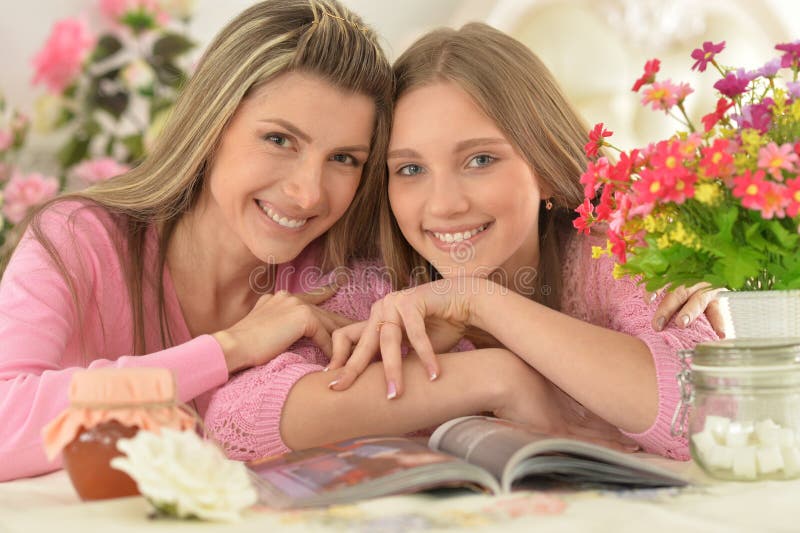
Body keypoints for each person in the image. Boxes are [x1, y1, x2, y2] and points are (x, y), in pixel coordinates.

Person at [0, 0, 396, 481]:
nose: (309, 193)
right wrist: (229, 348)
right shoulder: (76, 240)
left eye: (344, 159)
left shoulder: (338, 281)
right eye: (279, 140)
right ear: (212, 124)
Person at [325, 23, 719, 460]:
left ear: (545, 168)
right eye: (411, 169)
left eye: (480, 160)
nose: (444, 205)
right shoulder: (367, 284)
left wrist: (479, 301)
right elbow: (271, 427)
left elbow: (713, 417)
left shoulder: (616, 249)